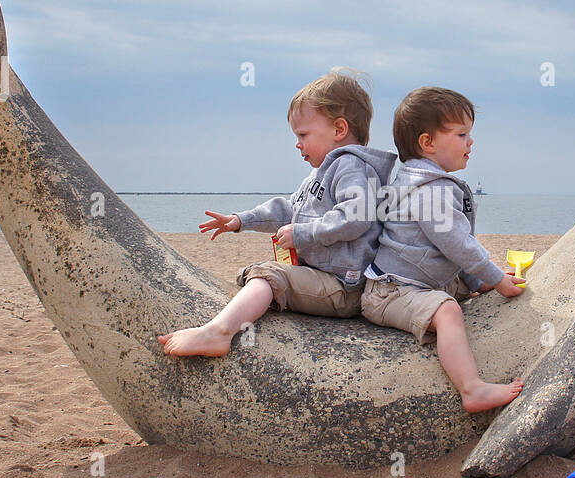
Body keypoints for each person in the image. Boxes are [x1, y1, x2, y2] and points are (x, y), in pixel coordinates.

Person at [158, 70, 396, 357]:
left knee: (268, 276)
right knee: (260, 275)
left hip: (343, 286)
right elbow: (289, 208)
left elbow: (355, 217)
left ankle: (218, 333)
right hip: (322, 276)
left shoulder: (353, 168)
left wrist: (301, 233)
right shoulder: (320, 173)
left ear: (339, 129)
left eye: (303, 134)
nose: (298, 143)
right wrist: (241, 220)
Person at [361, 87, 525, 412]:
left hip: (418, 281)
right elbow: (458, 244)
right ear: (428, 143)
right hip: (391, 291)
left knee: (458, 289)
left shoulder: (423, 183)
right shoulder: (429, 191)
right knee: (447, 311)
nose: (470, 142)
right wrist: (495, 277)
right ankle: (472, 389)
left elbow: (448, 251)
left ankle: (473, 286)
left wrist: (479, 282)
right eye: (462, 134)